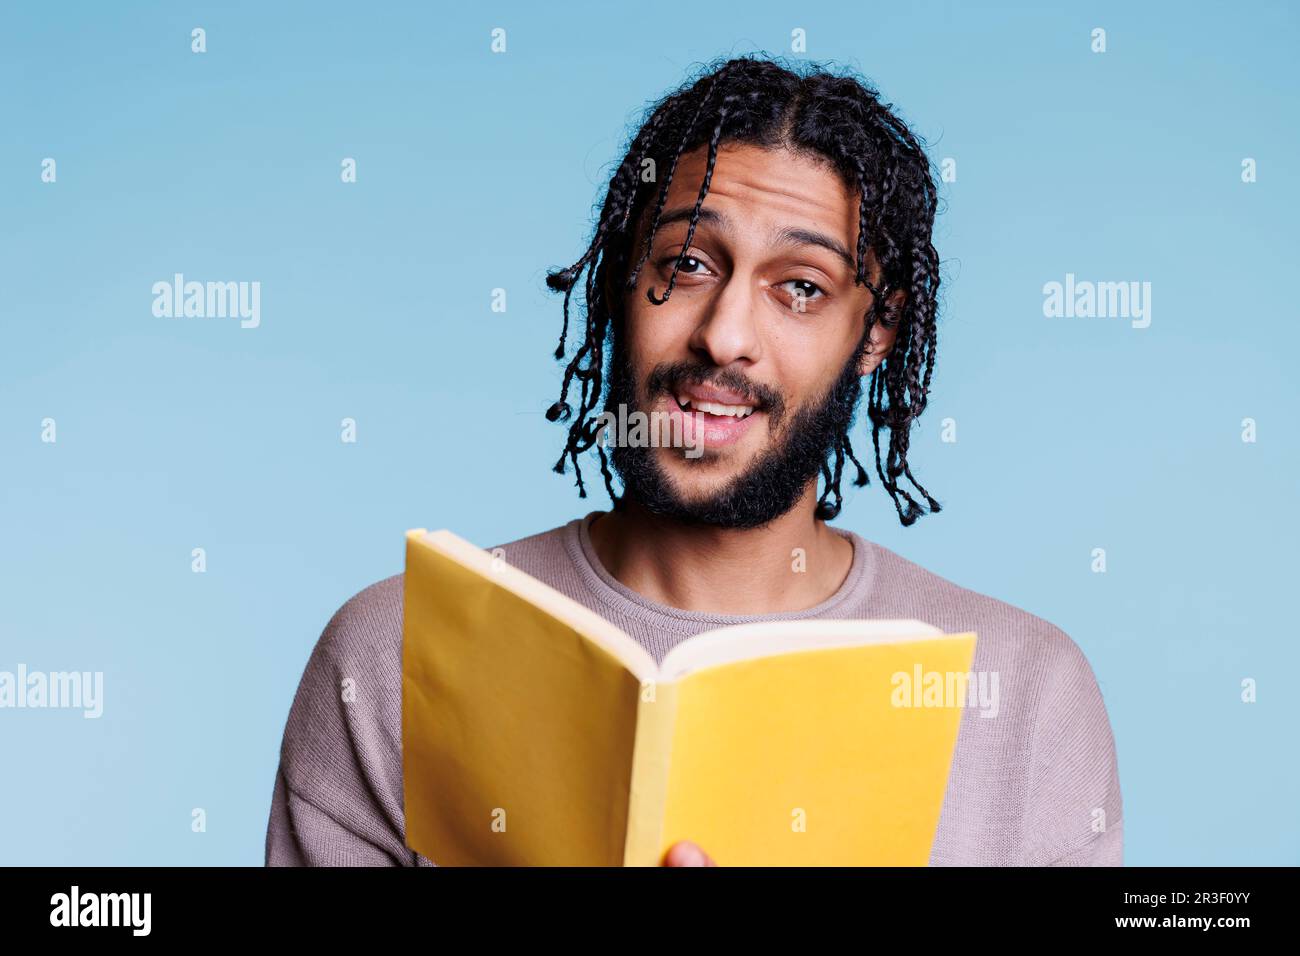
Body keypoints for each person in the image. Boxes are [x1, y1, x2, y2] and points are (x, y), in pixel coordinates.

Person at [266, 54, 1122, 867]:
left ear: (877, 331)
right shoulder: (391, 655)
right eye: (687, 263)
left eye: (801, 288)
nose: (725, 335)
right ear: (619, 279)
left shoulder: (1025, 692)